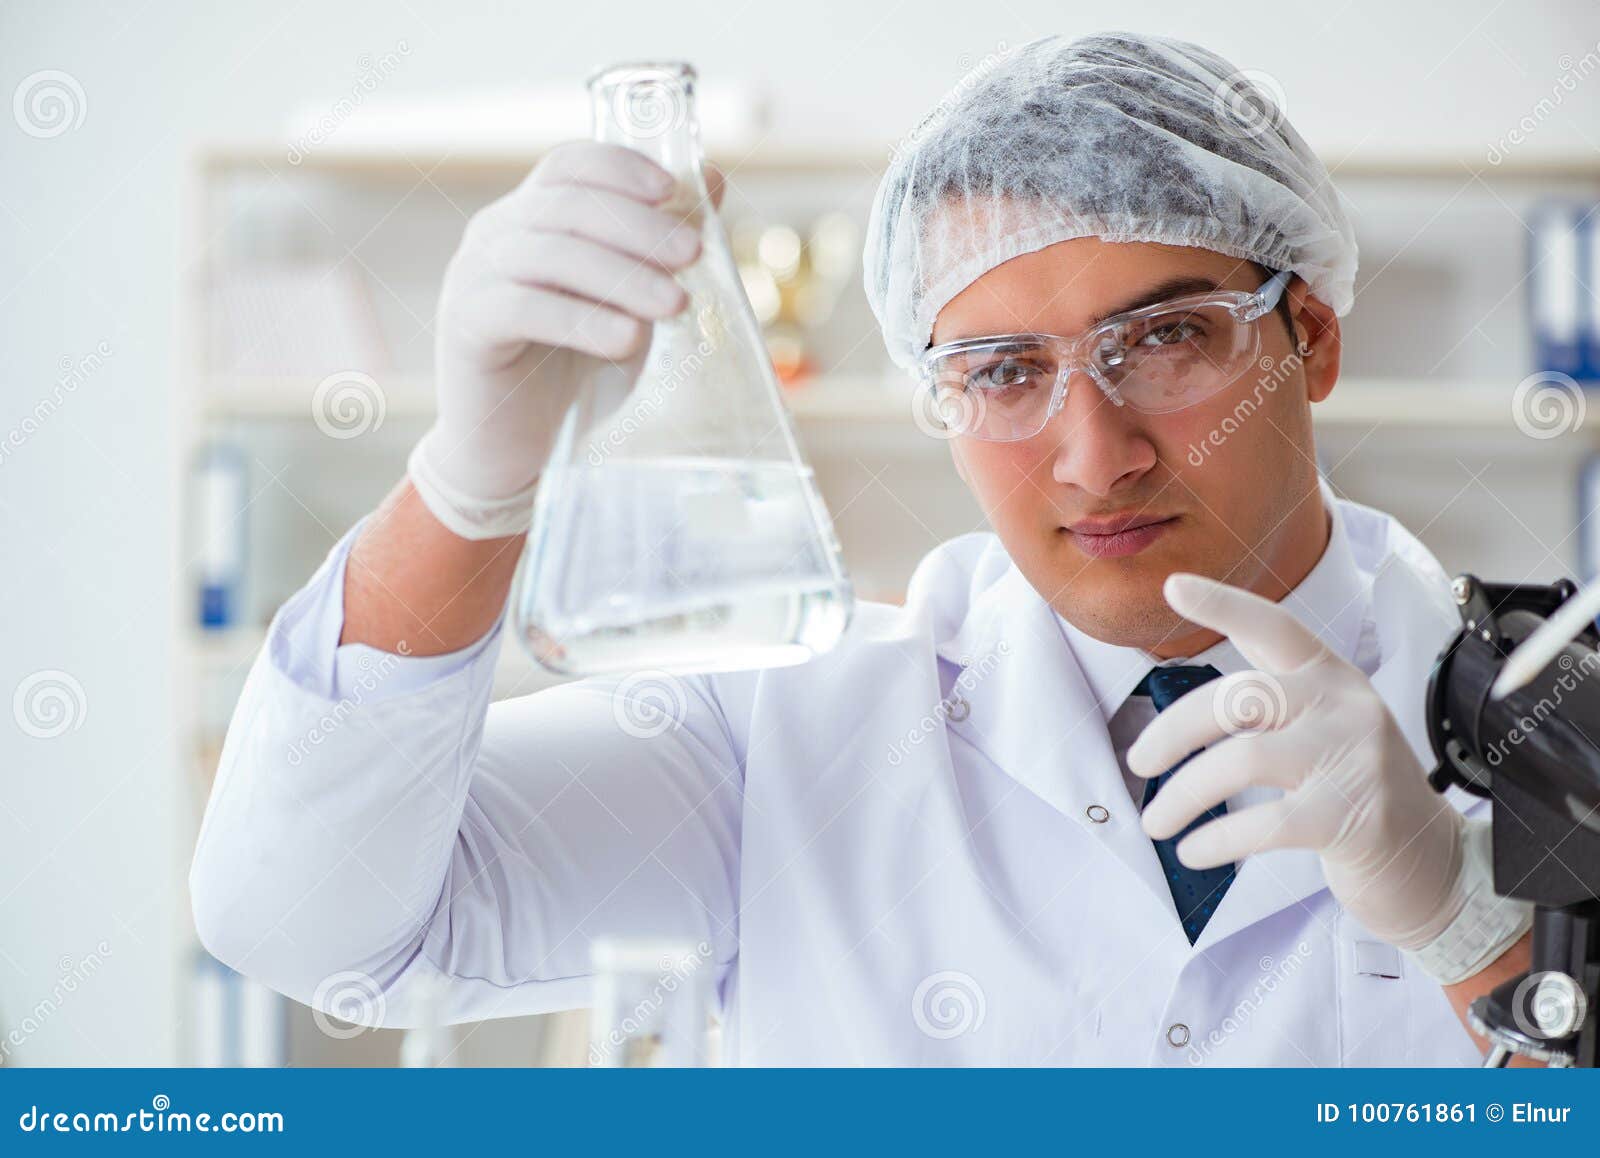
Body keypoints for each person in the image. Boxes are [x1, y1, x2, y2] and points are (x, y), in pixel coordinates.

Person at [191, 31, 1533, 1065]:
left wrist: (1475, 932)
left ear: (1311, 337)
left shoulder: (1561, 712)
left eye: (1165, 339)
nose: (1094, 452)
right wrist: (474, 478)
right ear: (938, 399)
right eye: (1004, 370)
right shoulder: (785, 729)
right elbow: (308, 918)